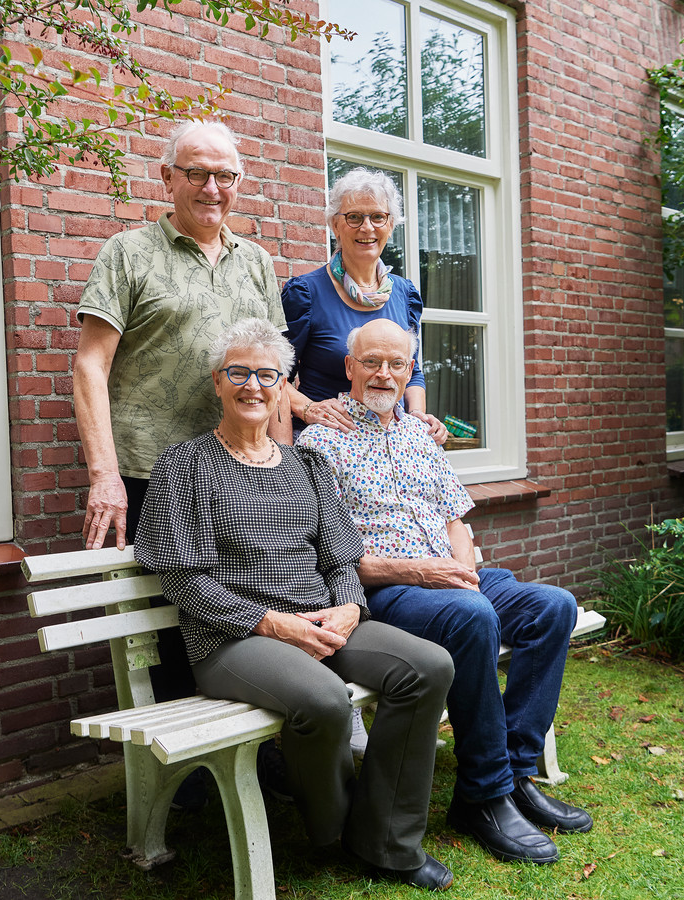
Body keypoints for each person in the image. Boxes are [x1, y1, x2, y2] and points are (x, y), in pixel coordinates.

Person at [134, 319, 456, 891]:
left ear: (284, 386)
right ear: (217, 382)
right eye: (239, 373)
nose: (253, 386)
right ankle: (337, 831)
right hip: (234, 638)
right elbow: (185, 582)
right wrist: (269, 622)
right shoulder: (182, 469)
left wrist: (351, 609)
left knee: (428, 667)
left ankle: (386, 836)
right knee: (325, 700)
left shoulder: (307, 466)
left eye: (267, 374)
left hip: (322, 621)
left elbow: (340, 562)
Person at [297, 319, 594, 866]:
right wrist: (425, 573)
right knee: (472, 616)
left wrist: (461, 568)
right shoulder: (319, 443)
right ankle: (483, 794)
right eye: (371, 362)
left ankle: (517, 769)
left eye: (396, 363)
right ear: (349, 369)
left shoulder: (420, 434)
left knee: (553, 607)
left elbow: (456, 517)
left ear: (410, 370)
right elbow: (334, 555)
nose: (384, 373)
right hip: (391, 589)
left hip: (457, 580)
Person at [74, 120, 288, 552]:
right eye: (197, 173)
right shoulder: (128, 252)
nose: (212, 188)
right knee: (147, 610)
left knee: (241, 601)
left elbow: (277, 373)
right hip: (148, 474)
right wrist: (104, 475)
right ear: (168, 177)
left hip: (243, 471)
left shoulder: (257, 263)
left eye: (224, 176)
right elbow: (89, 364)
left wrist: (284, 468)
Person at [281, 168, 447, 444]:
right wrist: (308, 409)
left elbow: (413, 371)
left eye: (378, 217)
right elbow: (274, 376)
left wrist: (417, 416)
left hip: (390, 443)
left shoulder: (405, 295)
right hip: (328, 442)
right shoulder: (305, 293)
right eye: (354, 217)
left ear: (390, 224)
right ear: (335, 225)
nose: (367, 228)